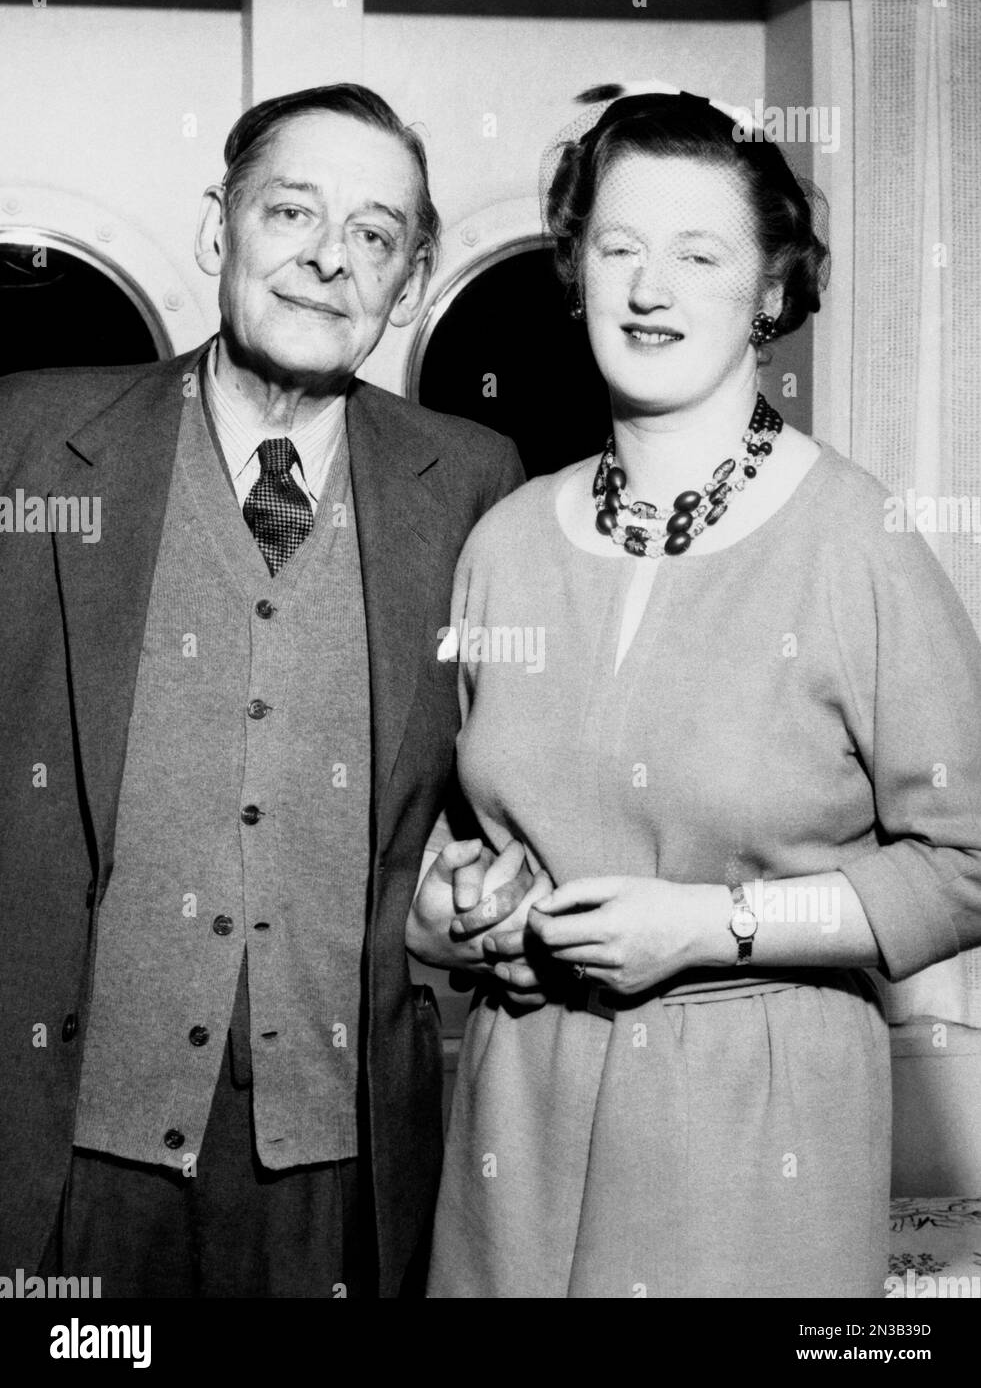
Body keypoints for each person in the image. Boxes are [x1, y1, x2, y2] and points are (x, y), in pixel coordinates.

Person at [413, 85, 981, 1298]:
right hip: (517, 1110)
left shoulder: (861, 541)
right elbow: (462, 831)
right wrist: (474, 905)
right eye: (617, 248)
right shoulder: (504, 541)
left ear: (770, 290)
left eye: (698, 252)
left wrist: (710, 925)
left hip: (753, 1125)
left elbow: (966, 862)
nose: (648, 287)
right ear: (576, 271)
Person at [0, 82, 527, 1299]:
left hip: (337, 1167)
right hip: (69, 1154)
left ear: (406, 281)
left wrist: (476, 884)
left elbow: (499, 789)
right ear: (216, 230)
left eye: (377, 236)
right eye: (293, 211)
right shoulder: (29, 441)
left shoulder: (474, 483)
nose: (330, 258)